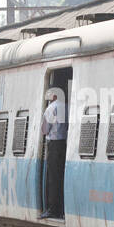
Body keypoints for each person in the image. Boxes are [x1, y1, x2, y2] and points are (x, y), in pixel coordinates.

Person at [40, 87, 67, 219]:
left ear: (55, 96)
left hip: (54, 144)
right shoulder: (68, 107)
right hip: (65, 144)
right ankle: (62, 208)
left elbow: (45, 129)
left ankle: (52, 209)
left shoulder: (51, 108)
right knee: (62, 176)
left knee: (53, 178)